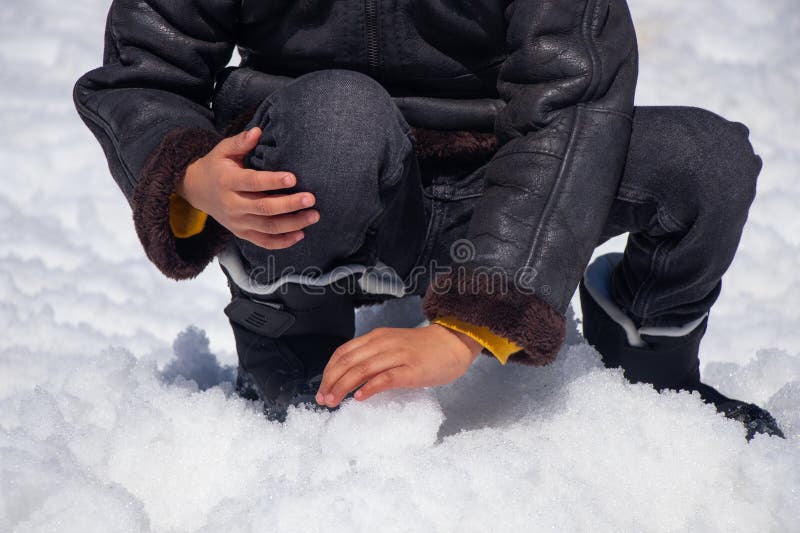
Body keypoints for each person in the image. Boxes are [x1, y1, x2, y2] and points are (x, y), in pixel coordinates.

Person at [74, 0, 782, 438]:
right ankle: (287, 349)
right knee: (339, 120)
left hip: (502, 179)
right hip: (324, 172)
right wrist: (194, 177)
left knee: (705, 161)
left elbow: (573, 105)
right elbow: (142, 71)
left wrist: (474, 320)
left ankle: (648, 363)